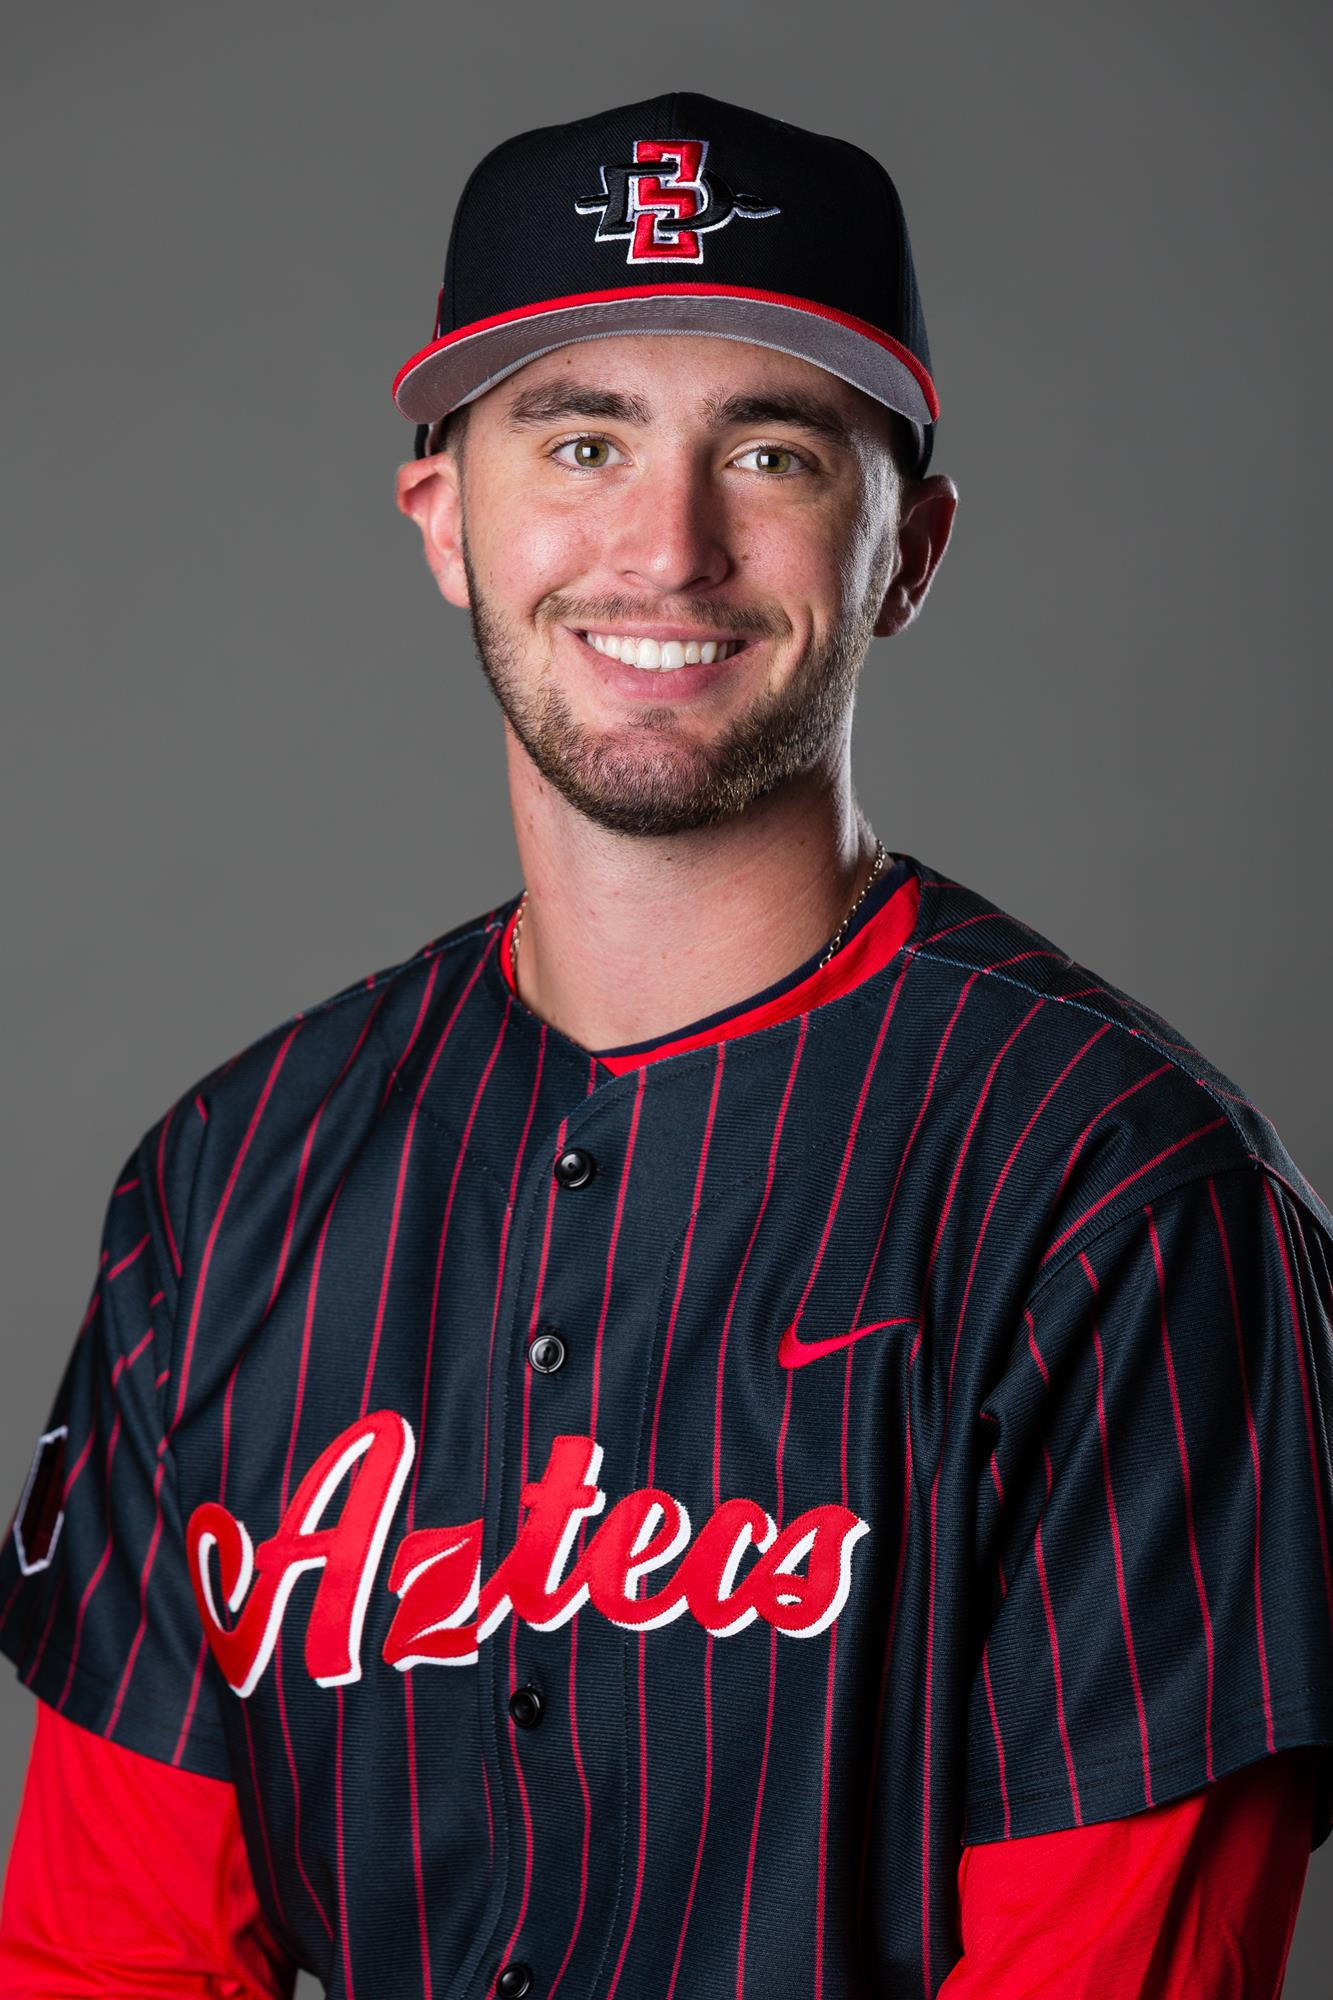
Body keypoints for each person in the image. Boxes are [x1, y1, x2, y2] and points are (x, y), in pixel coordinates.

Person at [1, 89, 1330, 2000]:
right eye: (581, 440)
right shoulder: (228, 1186)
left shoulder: (1118, 1202)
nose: (667, 546)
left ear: (906, 551)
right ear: (444, 522)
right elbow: (104, 1955)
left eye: (770, 451)